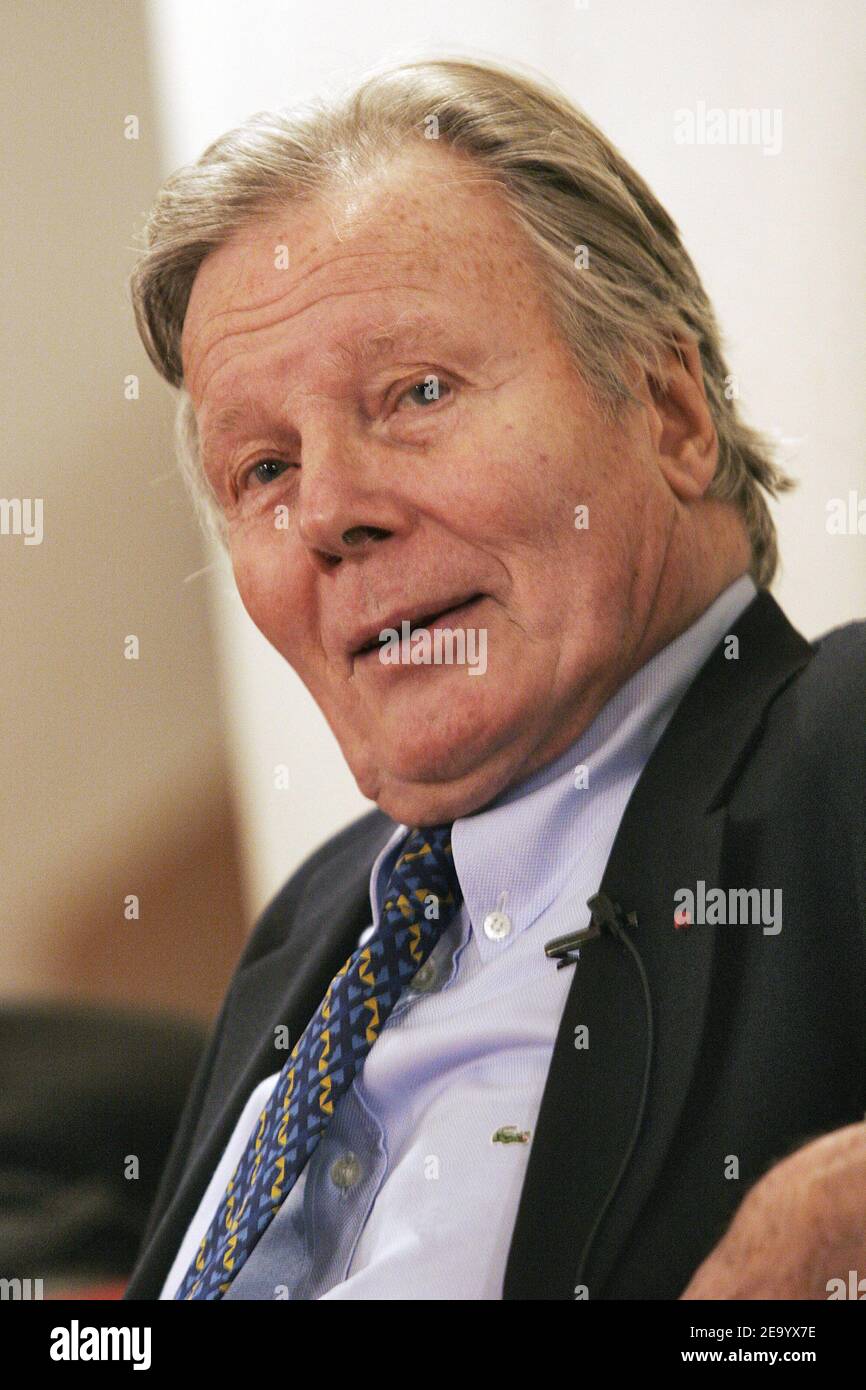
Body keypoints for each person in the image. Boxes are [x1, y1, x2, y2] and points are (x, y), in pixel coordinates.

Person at [123, 59, 865, 1300]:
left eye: (416, 393)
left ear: (670, 410)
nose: (328, 515)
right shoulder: (318, 922)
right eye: (262, 470)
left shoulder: (839, 754)